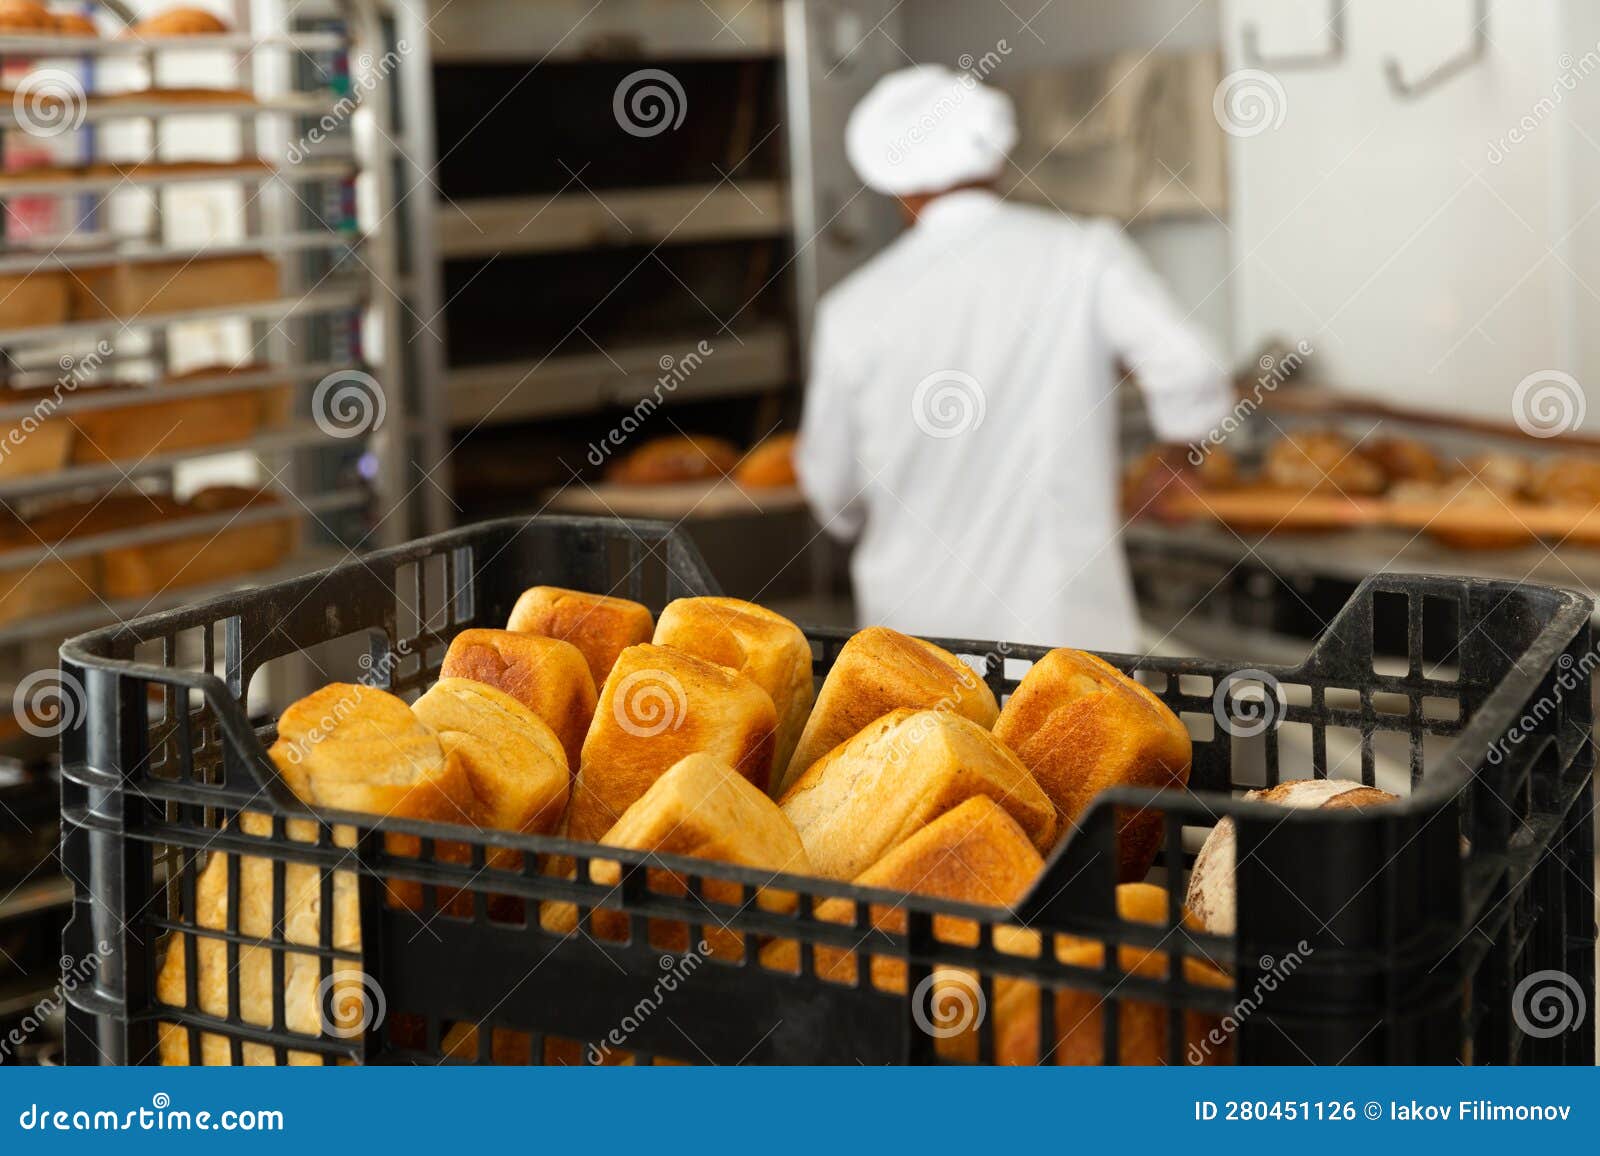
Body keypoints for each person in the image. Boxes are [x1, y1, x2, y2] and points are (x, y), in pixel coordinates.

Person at [795, 65, 1233, 652]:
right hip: (1066, 641)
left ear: (896, 185)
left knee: (934, 748)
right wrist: (1178, 458)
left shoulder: (850, 310)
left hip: (916, 648)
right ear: (995, 158)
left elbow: (835, 494)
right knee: (1080, 745)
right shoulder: (1082, 254)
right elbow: (1192, 369)